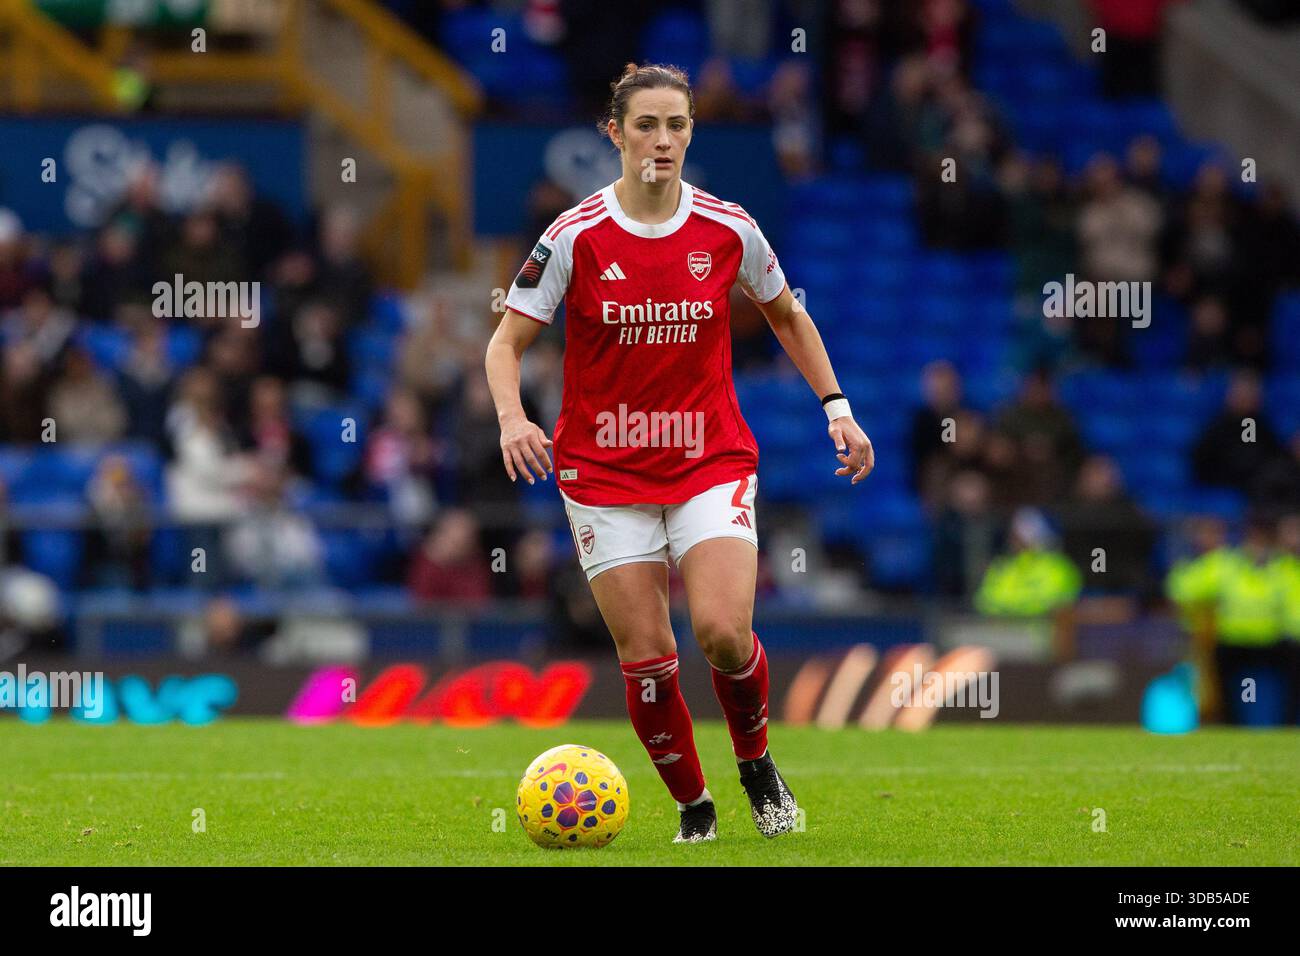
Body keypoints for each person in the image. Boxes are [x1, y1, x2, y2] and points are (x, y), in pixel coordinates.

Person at [485, 63, 874, 844]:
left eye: (677, 126)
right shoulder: (574, 235)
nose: (662, 141)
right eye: (646, 126)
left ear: (692, 133)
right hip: (603, 471)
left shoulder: (729, 227)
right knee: (649, 653)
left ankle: (757, 766)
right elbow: (506, 339)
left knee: (725, 633)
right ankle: (696, 809)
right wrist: (511, 418)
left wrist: (837, 406)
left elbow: (788, 316)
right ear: (615, 134)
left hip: (708, 459)